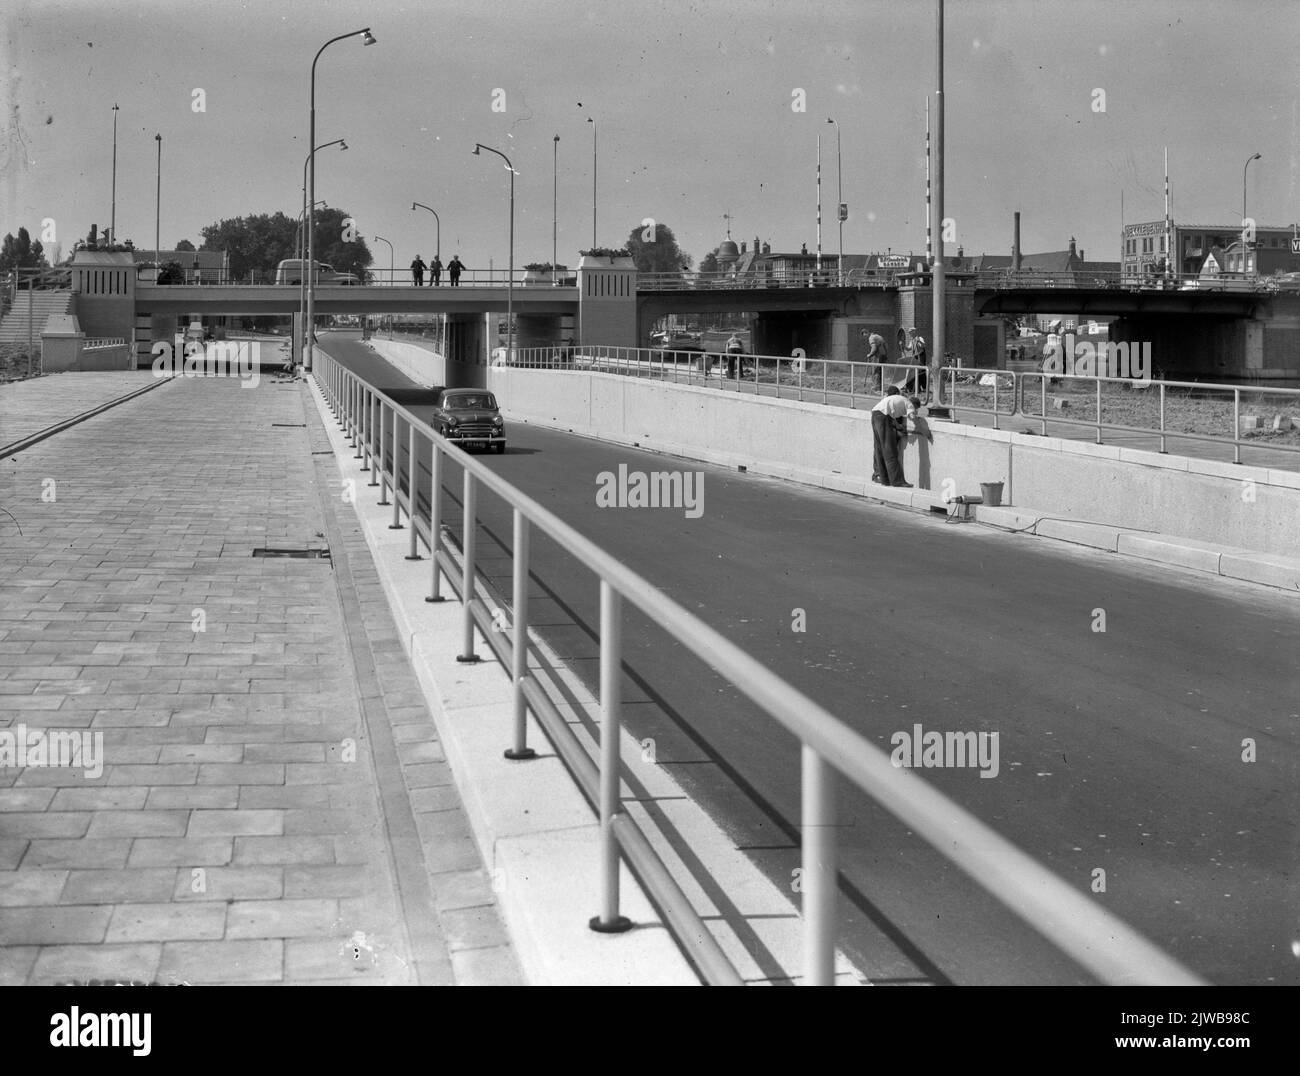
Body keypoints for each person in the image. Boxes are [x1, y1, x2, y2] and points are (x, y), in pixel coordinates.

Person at [871, 388, 920, 487]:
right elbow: (912, 416)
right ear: (914, 405)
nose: (916, 410)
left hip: (875, 415)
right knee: (890, 450)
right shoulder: (908, 403)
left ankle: (884, 479)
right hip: (883, 417)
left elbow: (891, 419)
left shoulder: (898, 399)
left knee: (879, 449)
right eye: (916, 408)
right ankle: (897, 481)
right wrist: (920, 427)